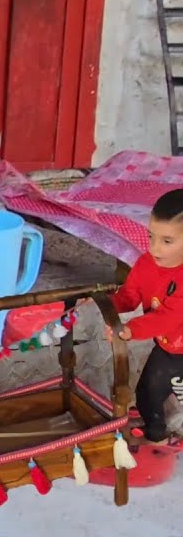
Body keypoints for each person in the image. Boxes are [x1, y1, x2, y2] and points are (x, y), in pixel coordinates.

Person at [109, 188, 183, 445]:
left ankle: (159, 441)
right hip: (166, 346)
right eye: (151, 236)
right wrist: (108, 304)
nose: (154, 248)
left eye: (167, 241)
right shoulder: (146, 264)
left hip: (180, 350)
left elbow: (168, 318)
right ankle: (157, 438)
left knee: (171, 392)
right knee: (147, 392)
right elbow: (130, 295)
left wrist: (131, 330)